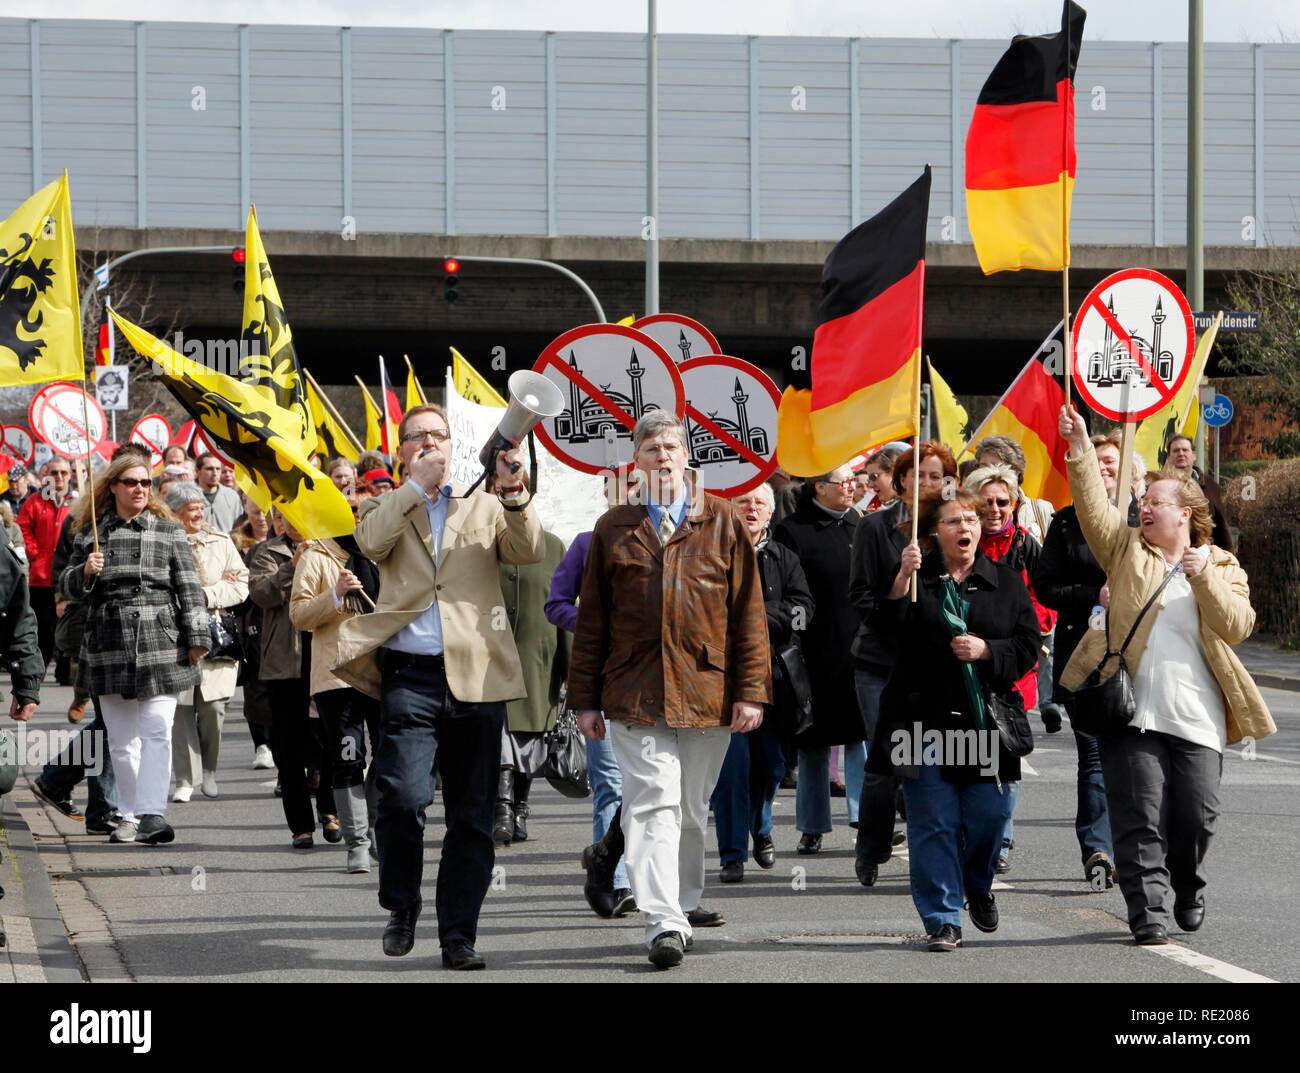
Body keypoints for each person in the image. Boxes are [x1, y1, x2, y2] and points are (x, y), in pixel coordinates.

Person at [332, 403, 542, 971]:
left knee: (471, 815)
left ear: (454, 445)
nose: (428, 443)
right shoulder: (386, 504)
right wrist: (415, 490)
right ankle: (401, 904)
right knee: (400, 796)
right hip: (411, 675)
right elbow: (369, 543)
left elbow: (527, 551)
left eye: (438, 436)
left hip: (476, 675)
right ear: (401, 451)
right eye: (416, 438)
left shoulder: (485, 502)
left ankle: (458, 935)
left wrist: (515, 489)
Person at [1057, 405, 1273, 945]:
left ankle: (1188, 883)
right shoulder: (1126, 549)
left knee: (1197, 817)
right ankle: (1146, 912)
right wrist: (1081, 448)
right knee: (1138, 816)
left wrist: (1203, 580)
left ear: (1186, 515)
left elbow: (1238, 626)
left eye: (1157, 502)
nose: (1145, 508)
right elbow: (1093, 511)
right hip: (1132, 713)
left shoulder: (1221, 564)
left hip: (1198, 720)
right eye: (1143, 501)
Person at [568, 411, 770, 970]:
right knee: (653, 802)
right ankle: (664, 920)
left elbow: (748, 615)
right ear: (637, 461)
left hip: (708, 690)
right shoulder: (614, 527)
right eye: (651, 448)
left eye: (670, 447)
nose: (662, 456)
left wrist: (751, 691)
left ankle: (683, 903)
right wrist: (584, 699)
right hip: (634, 691)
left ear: (687, 458)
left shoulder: (724, 520)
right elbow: (593, 625)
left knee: (689, 808)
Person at [870, 490, 1039, 952]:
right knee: (932, 822)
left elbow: (1028, 645)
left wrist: (988, 651)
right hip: (919, 723)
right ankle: (943, 917)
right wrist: (902, 575)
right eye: (952, 521)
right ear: (934, 533)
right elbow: (883, 632)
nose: (964, 527)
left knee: (990, 817)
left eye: (971, 519)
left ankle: (977, 884)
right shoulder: (914, 579)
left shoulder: (1004, 581)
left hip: (981, 722)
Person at [60, 454, 209, 846]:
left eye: (145, 482)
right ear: (113, 487)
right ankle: (128, 814)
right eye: (130, 482)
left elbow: (190, 589)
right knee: (122, 739)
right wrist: (85, 572)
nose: (139, 488)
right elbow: (67, 589)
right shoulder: (90, 534)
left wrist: (198, 638)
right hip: (109, 640)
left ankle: (151, 814)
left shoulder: (168, 531)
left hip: (162, 639)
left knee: (157, 730)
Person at [1033, 431, 1140, 889]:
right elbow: (1046, 587)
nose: (1105, 468)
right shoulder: (1064, 523)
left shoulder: (1147, 518)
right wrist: (1090, 596)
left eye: (1113, 461)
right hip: (1085, 652)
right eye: (1096, 461)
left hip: (1141, 655)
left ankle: (1137, 846)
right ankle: (1097, 849)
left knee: (1138, 758)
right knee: (1094, 755)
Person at [849, 440, 957, 886]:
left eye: (937, 476)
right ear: (902, 479)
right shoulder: (875, 528)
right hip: (881, 663)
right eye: (919, 475)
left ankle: (935, 850)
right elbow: (860, 599)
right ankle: (872, 846)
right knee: (886, 760)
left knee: (934, 760)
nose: (927, 483)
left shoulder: (956, 524)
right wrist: (900, 577)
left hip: (937, 665)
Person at [545, 470, 641, 920]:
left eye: (638, 486)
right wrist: (594, 622)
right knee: (612, 786)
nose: (628, 494)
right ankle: (616, 880)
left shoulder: (670, 542)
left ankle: (649, 877)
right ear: (604, 493)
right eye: (619, 486)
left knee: (654, 791)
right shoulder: (586, 543)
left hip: (654, 689)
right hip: (603, 687)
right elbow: (555, 604)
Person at [711, 482, 813, 883]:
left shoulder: (784, 557)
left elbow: (803, 610)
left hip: (774, 678)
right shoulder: (713, 551)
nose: (750, 508)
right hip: (724, 678)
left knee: (771, 765)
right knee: (731, 769)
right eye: (743, 501)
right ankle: (732, 854)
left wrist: (752, 615)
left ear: (770, 513)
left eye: (758, 503)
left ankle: (763, 826)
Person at [963, 463, 1055, 874]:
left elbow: (1045, 599)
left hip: (1014, 665)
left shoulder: (1027, 547)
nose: (996, 510)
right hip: (965, 663)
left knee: (1006, 747)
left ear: (1015, 504)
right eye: (987, 503)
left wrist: (1028, 631)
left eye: (1004, 502)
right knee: (967, 751)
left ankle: (1001, 838)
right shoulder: (961, 543)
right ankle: (969, 831)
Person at [773, 463, 864, 854]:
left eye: (851, 481)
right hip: (812, 651)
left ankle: (865, 821)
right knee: (813, 741)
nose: (849, 488)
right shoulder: (793, 530)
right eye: (840, 483)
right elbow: (788, 590)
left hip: (860, 650)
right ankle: (812, 825)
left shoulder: (860, 525)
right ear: (818, 489)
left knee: (860, 739)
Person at [290, 530, 381, 873]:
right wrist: (335, 594)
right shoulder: (317, 556)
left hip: (382, 669)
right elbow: (298, 615)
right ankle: (357, 842)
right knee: (347, 756)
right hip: (337, 674)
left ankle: (376, 829)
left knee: (390, 753)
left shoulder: (383, 552)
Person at [249, 511, 339, 848]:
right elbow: (261, 595)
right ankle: (300, 824)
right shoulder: (268, 553)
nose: (294, 522)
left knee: (331, 737)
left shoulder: (330, 546)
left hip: (326, 655)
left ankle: (330, 809)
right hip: (285, 662)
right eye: (286, 518)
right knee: (288, 745)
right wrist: (292, 565)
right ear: (279, 524)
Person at [163, 482, 248, 802]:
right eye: (191, 508)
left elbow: (241, 584)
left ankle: (209, 770)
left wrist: (207, 593)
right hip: (176, 633)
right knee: (181, 709)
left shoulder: (221, 541)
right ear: (174, 512)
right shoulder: (165, 542)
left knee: (213, 706)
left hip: (214, 633)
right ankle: (186, 778)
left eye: (201, 507)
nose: (198, 513)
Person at [494, 528, 568, 845]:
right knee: (500, 734)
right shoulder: (483, 544)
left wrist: (571, 664)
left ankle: (520, 808)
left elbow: (564, 601)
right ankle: (502, 810)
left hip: (538, 658)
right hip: (489, 657)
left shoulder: (552, 547)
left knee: (527, 738)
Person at [18, 455, 73, 669]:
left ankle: (65, 670)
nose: (58, 477)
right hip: (41, 578)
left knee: (67, 626)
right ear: (45, 475)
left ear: (70, 475)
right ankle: (38, 670)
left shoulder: (77, 501)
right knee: (42, 628)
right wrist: (34, 552)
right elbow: (23, 527)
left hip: (68, 576)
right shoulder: (35, 501)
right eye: (54, 472)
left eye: (63, 472)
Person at [1163, 434, 1234, 552]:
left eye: (1185, 450)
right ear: (1169, 457)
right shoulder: (1160, 487)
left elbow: (1221, 525)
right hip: (1170, 551)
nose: (1181, 453)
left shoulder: (1212, 487)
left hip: (1204, 551)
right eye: (1176, 451)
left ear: (1194, 455)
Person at [195, 453, 242, 533]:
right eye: (209, 469)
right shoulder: (188, 496)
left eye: (218, 469)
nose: (215, 473)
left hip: (226, 544)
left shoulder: (232, 496)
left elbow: (239, 527)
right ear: (198, 471)